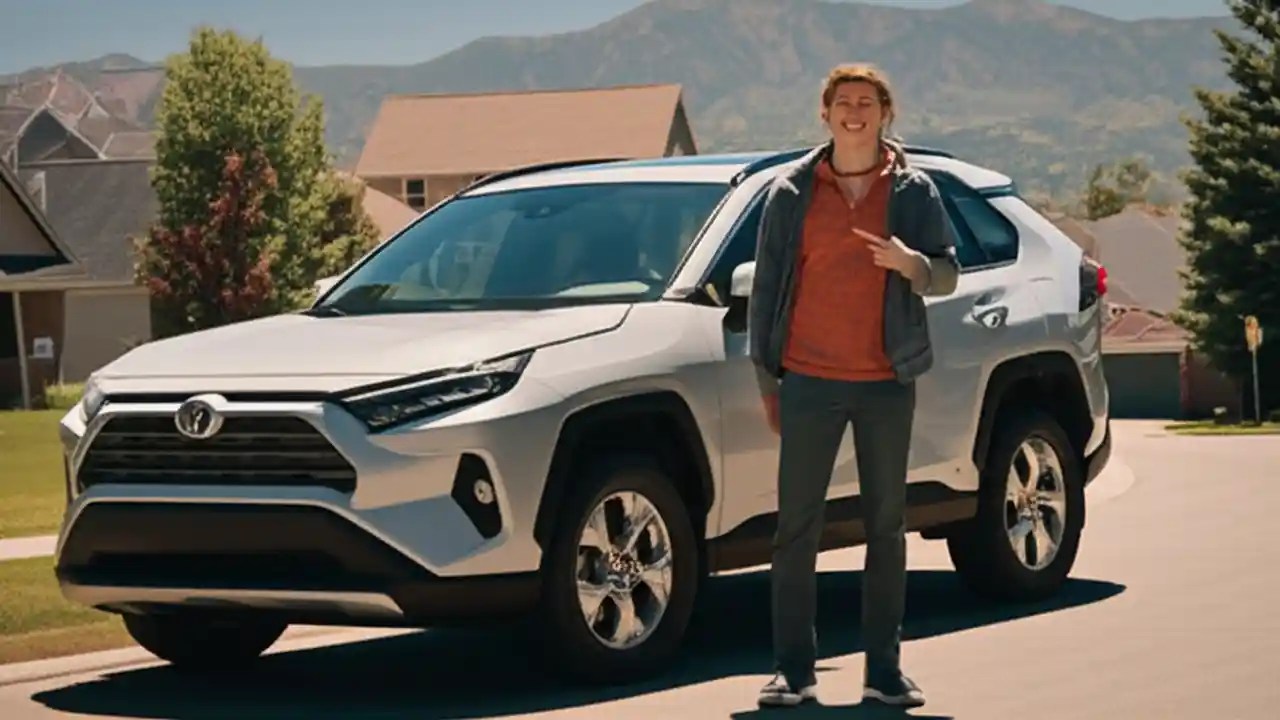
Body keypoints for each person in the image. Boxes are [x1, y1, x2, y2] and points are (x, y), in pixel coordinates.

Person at [748, 63, 959, 709]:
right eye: (844, 102)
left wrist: (911, 265)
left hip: (885, 381)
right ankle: (792, 670)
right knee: (795, 530)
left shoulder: (915, 191)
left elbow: (947, 273)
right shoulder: (790, 192)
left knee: (886, 528)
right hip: (809, 379)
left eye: (866, 102)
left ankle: (885, 671)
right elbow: (765, 288)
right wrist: (768, 378)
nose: (855, 112)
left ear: (884, 112)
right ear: (826, 113)